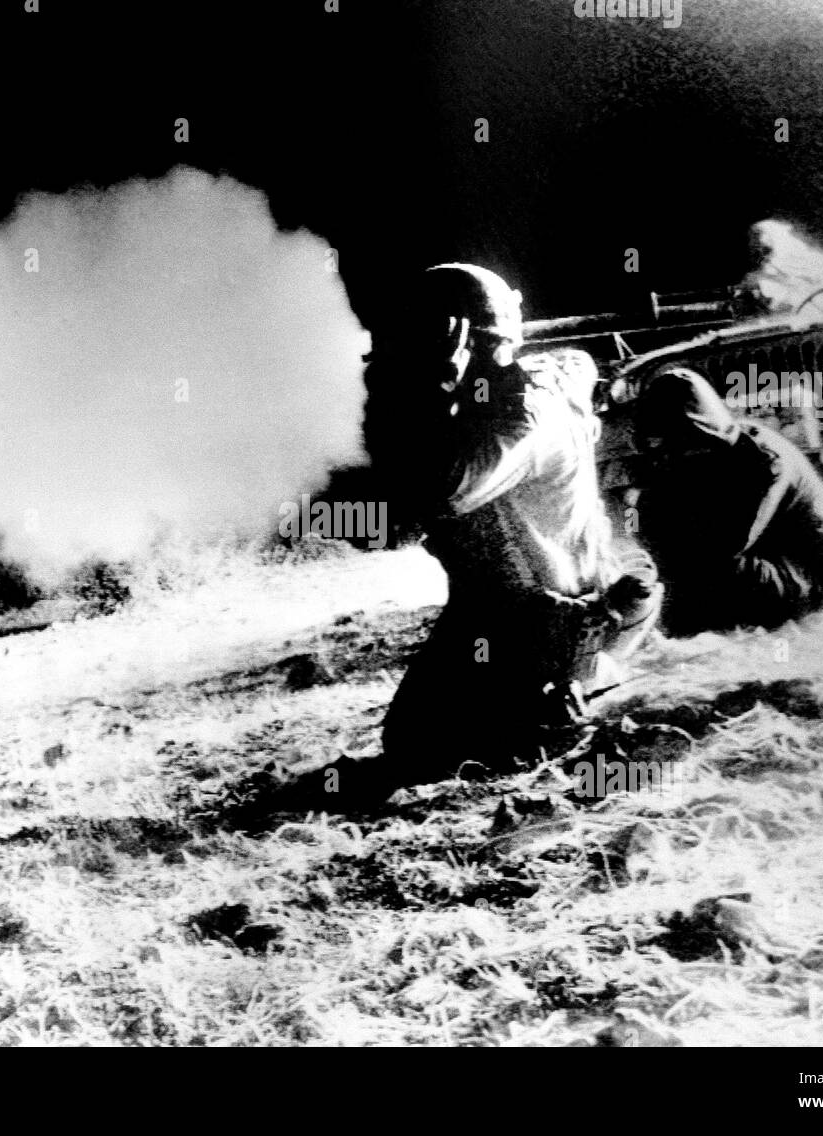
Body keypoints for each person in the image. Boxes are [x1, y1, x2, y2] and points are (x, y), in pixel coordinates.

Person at [274, 264, 661, 810]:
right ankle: (544, 717)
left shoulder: (522, 417)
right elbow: (402, 513)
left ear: (459, 345)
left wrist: (422, 387)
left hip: (549, 620)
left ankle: (567, 724)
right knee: (411, 742)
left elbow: (438, 491)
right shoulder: (497, 401)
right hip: (505, 610)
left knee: (447, 765)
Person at [630, 367, 823, 636]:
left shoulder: (762, 459)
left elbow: (730, 542)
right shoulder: (687, 457)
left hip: (819, 578)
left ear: (700, 432)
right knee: (672, 571)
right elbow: (650, 522)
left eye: (677, 443)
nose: (670, 455)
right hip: (774, 565)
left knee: (706, 571)